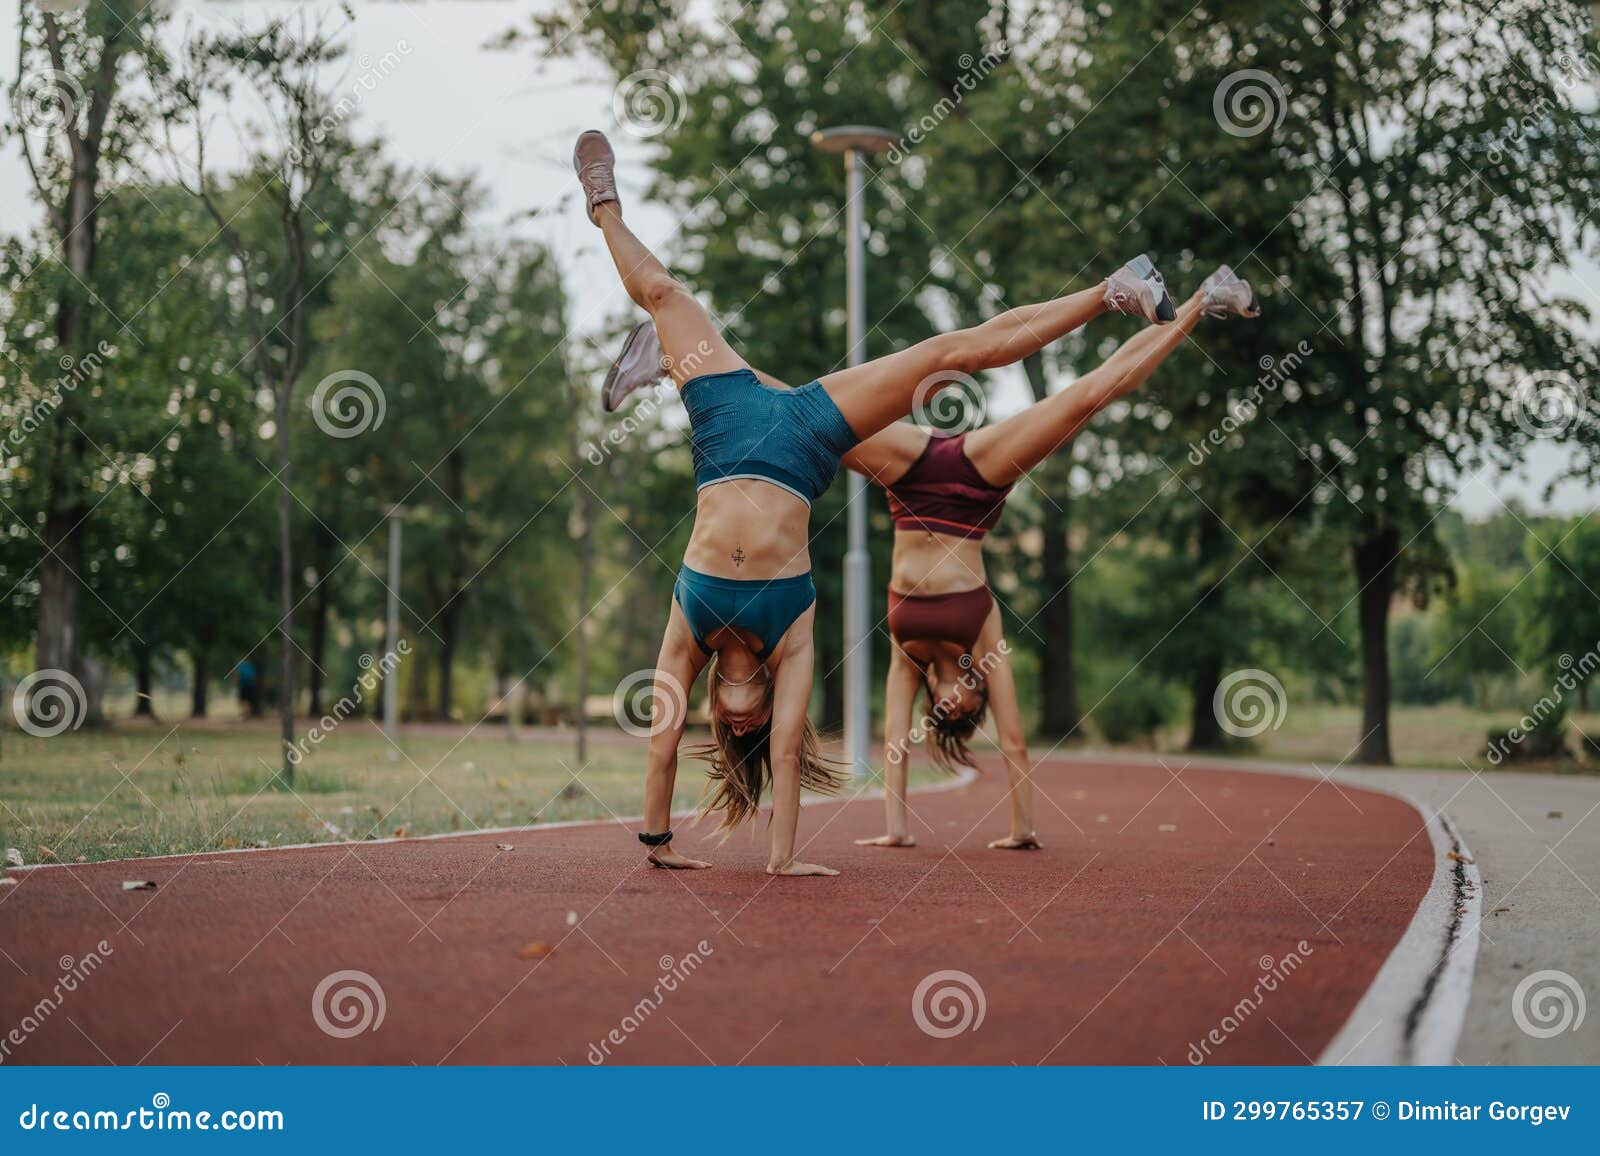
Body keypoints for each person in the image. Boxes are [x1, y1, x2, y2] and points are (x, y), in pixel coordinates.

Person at [574, 129, 1175, 875]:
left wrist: (657, 845)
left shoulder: (687, 633)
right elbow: (789, 755)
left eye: (731, 715)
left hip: (724, 421)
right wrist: (784, 862)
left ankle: (608, 221)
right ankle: (1112, 291)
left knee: (666, 295)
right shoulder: (790, 634)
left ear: (718, 719)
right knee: (944, 360)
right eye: (750, 717)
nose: (742, 710)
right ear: (754, 721)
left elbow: (661, 743)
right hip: (805, 437)